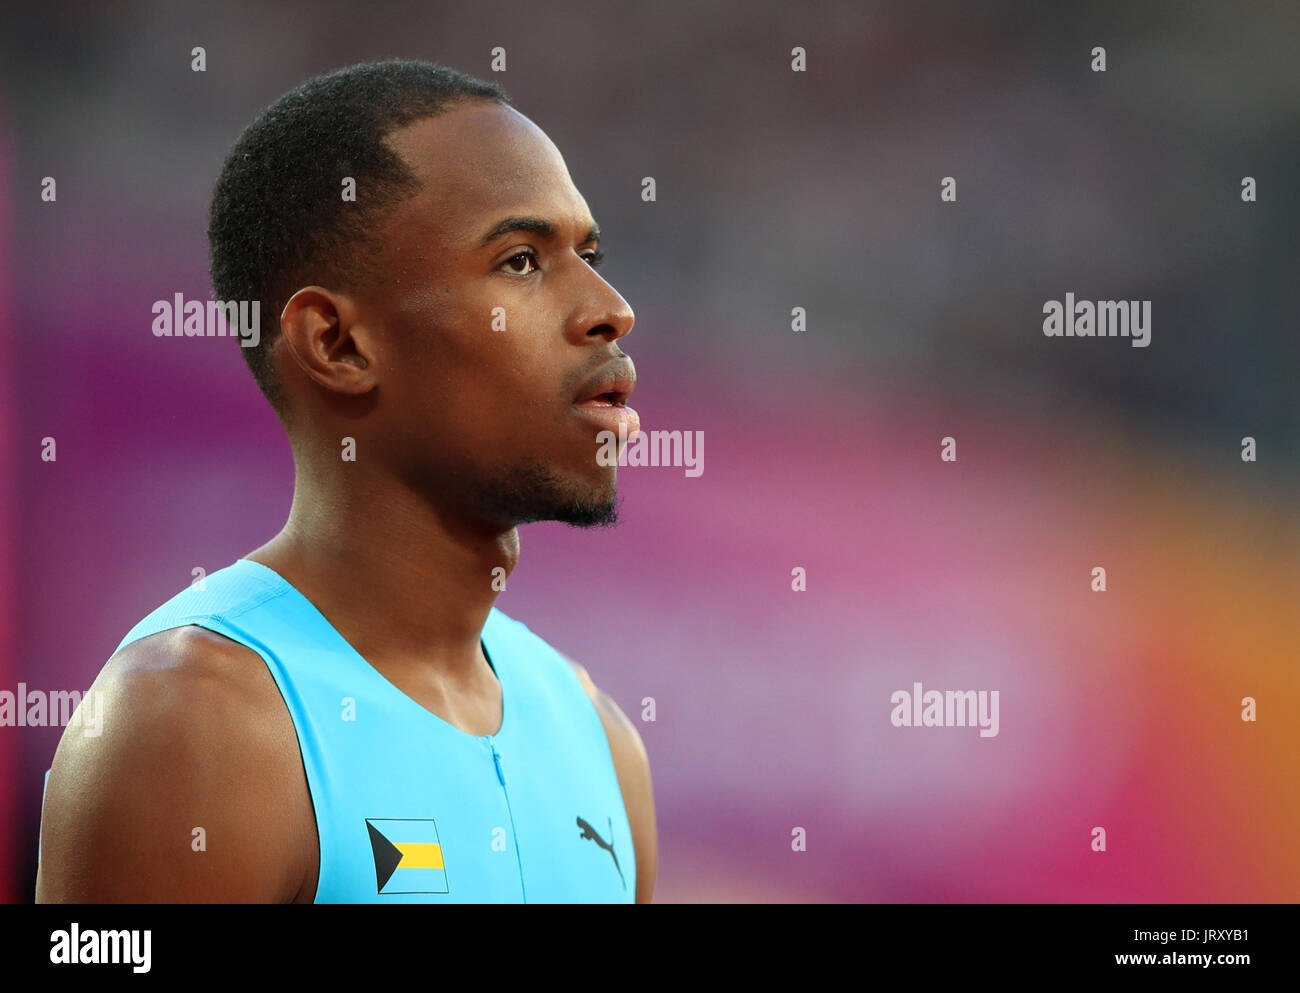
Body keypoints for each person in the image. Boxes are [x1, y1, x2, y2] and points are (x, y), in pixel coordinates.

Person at [35, 59, 657, 903]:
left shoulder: (601, 740)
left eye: (589, 252)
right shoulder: (191, 725)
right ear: (336, 344)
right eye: (520, 260)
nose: (610, 307)